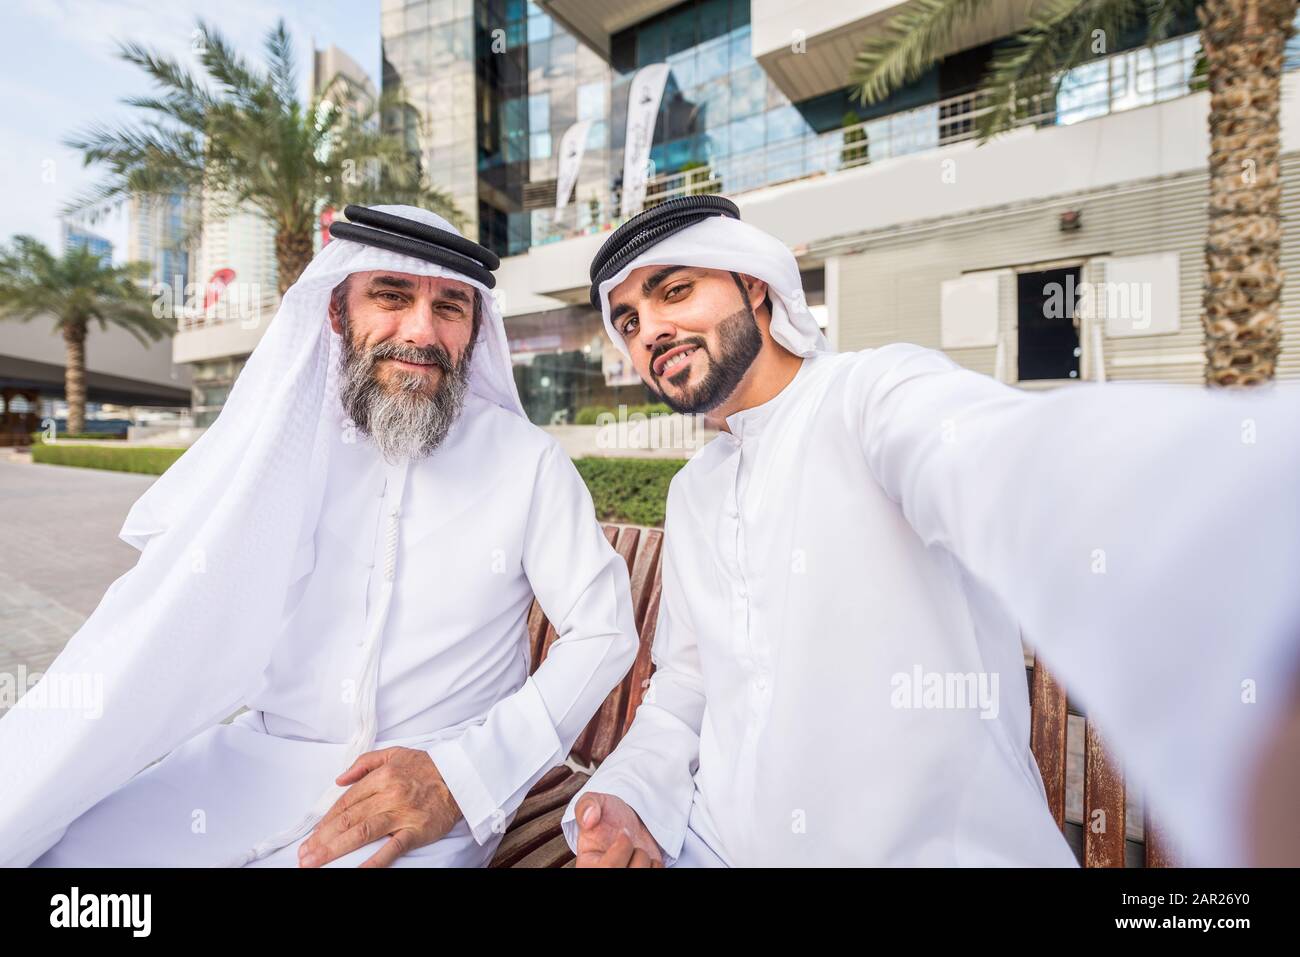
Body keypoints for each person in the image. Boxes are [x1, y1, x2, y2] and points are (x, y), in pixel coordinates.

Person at [563, 195, 1300, 867]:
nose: (650, 328)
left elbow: (1018, 468)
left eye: (675, 290)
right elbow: (687, 680)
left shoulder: (870, 396)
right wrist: (628, 794)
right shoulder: (693, 492)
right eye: (627, 319)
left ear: (755, 285)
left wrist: (1254, 537)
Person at [2, 205, 638, 868]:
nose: (421, 331)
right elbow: (162, 617)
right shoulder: (282, 446)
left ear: (474, 328)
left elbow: (605, 629)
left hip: (426, 790)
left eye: (451, 307)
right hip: (255, 764)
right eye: (391, 296)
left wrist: (465, 774)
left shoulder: (526, 460)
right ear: (337, 311)